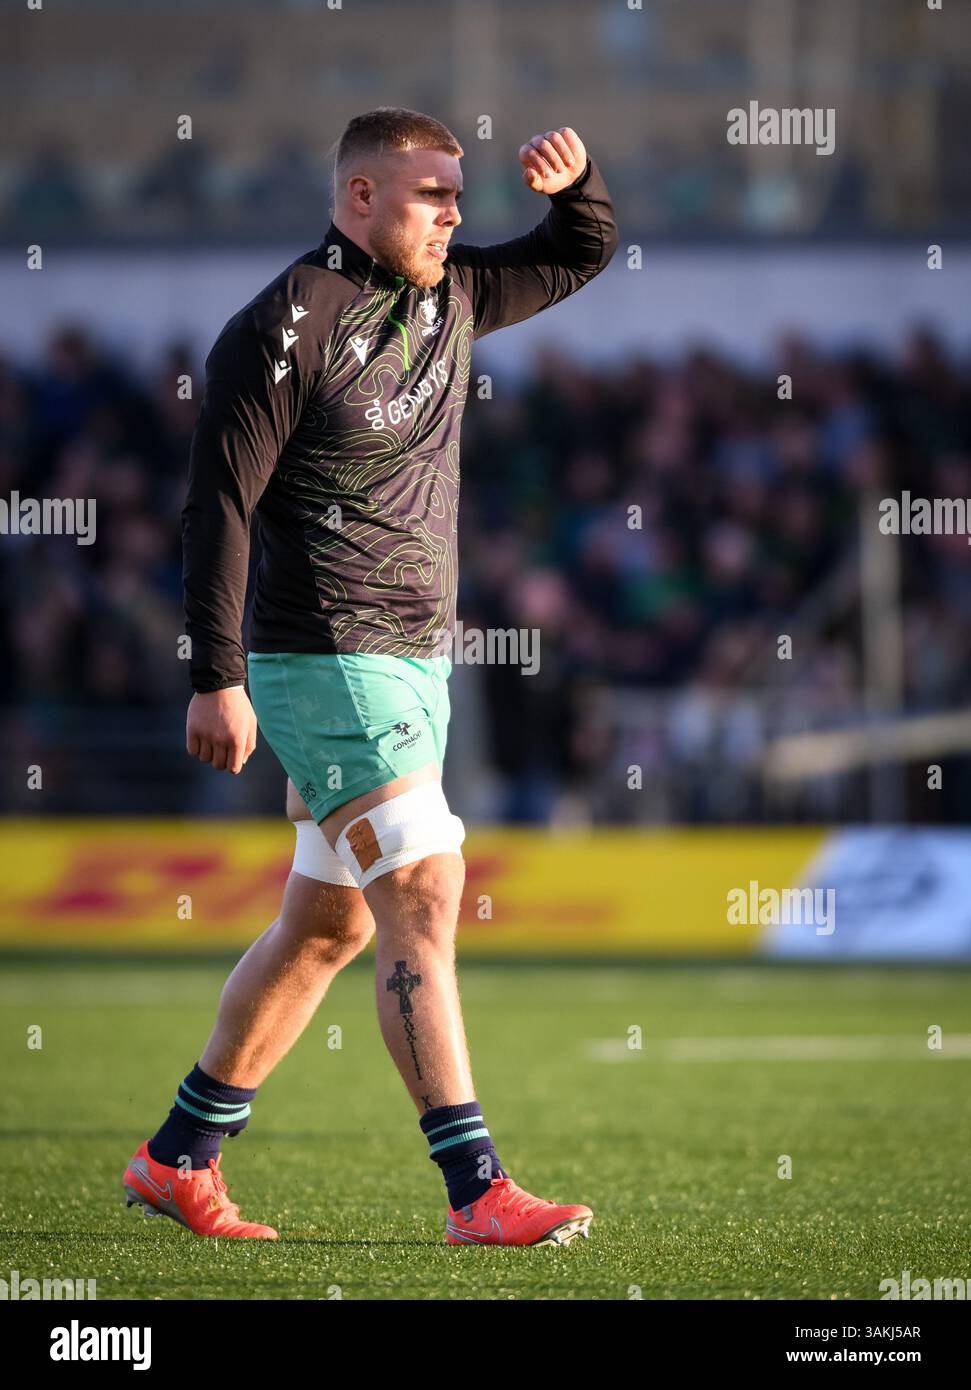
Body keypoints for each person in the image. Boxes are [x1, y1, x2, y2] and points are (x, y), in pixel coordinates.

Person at [123, 106, 617, 1247]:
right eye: (431, 195)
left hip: (413, 661)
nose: (455, 214)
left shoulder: (454, 294)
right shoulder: (280, 327)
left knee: (325, 927)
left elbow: (577, 251)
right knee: (425, 892)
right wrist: (216, 673)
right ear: (358, 198)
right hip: (323, 656)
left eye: (460, 194)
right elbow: (218, 509)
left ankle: (176, 1158)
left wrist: (577, 184)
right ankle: (476, 1190)